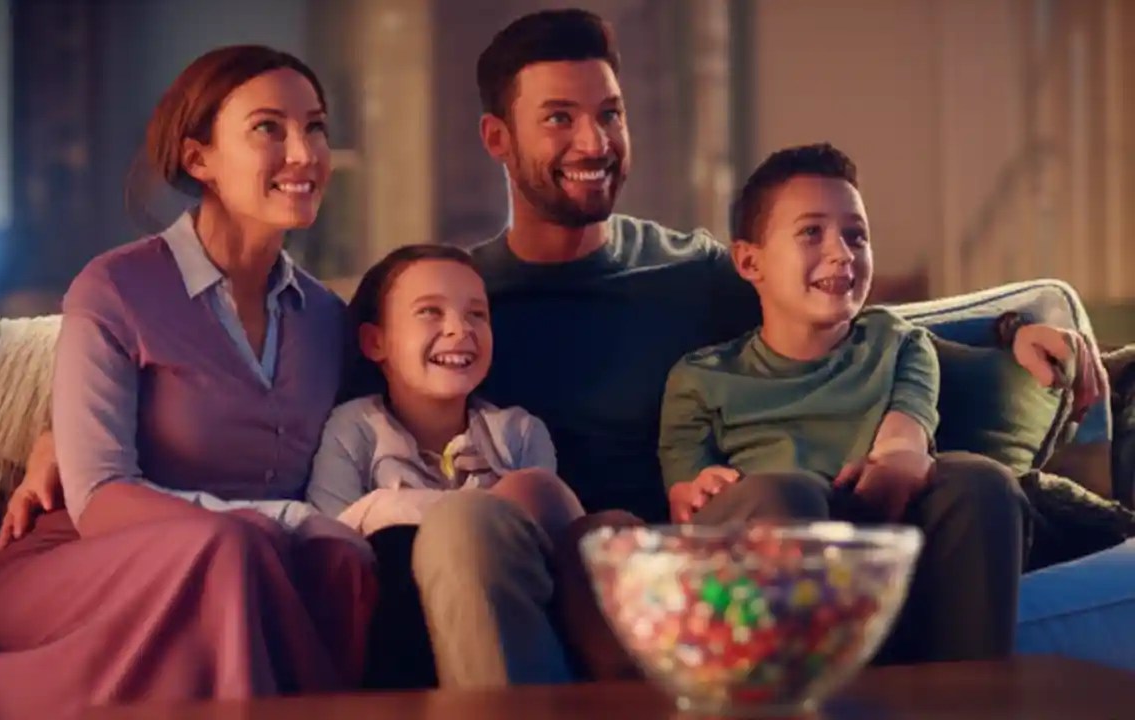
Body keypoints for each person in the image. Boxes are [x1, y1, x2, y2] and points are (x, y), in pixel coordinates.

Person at [404, 7, 1106, 688]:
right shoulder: (461, 302)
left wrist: (1012, 327)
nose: (595, 142)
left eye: (610, 114)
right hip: (574, 559)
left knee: (900, 488)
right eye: (560, 117)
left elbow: (854, 326)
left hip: (721, 558)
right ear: (496, 138)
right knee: (472, 527)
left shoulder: (691, 272)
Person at [0, 45, 377, 719]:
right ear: (198, 159)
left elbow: (376, 439)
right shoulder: (117, 287)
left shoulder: (328, 320)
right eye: (269, 128)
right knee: (231, 546)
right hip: (77, 570)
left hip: (247, 578)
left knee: (337, 561)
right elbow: (99, 499)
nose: (304, 153)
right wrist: (271, 524)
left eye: (317, 127)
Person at [661, 142, 1027, 664]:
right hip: (774, 536)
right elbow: (685, 498)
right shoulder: (700, 378)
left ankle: (968, 697)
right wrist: (696, 488)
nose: (841, 252)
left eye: (856, 235)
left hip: (883, 512)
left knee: (980, 481)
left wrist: (899, 458)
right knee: (791, 496)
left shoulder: (898, 342)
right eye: (812, 232)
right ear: (749, 260)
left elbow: (905, 438)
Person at [306, 244, 584, 542]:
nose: (460, 329)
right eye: (429, 311)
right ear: (375, 341)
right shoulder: (352, 430)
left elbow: (545, 549)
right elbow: (332, 544)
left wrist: (386, 508)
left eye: (477, 314)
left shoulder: (519, 434)